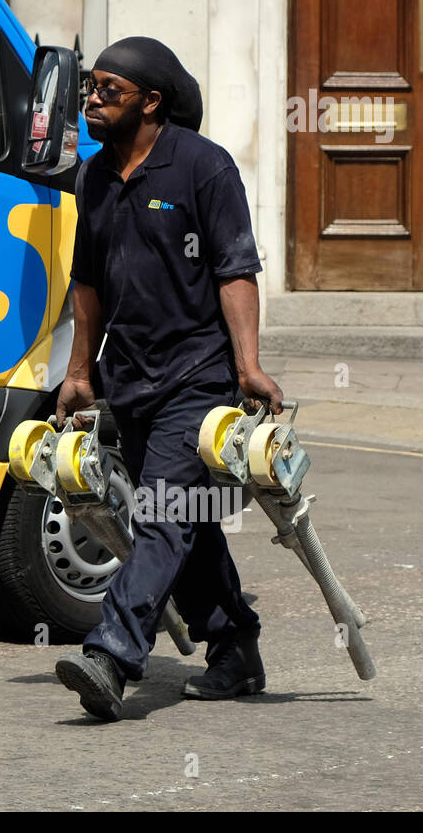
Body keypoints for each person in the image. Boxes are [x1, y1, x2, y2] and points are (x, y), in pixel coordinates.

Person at [53, 36, 284, 722]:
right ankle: (235, 646)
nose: (92, 100)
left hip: (197, 374)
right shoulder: (93, 178)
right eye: (90, 88)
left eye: (109, 91)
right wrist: (77, 370)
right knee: (192, 521)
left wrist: (246, 364)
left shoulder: (204, 169)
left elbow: (235, 270)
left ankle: (113, 652)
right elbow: (87, 280)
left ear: (151, 102)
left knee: (161, 511)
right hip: (131, 377)